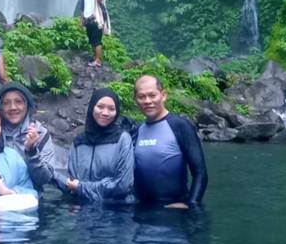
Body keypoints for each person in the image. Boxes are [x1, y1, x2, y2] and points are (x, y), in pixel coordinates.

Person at [131, 75, 207, 209]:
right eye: (141, 97)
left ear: (163, 95)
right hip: (142, 209)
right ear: (135, 100)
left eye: (152, 95)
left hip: (174, 209)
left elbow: (200, 173)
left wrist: (191, 204)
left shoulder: (180, 126)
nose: (147, 101)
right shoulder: (137, 130)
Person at [60, 87, 135, 204]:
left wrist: (82, 187)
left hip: (115, 208)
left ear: (117, 112)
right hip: (82, 207)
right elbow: (73, 181)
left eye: (111, 109)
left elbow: (123, 184)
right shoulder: (79, 142)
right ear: (92, 108)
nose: (105, 113)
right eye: (100, 107)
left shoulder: (122, 139)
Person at [0, 82, 58, 191]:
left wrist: (32, 151)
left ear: (27, 105)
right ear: (0, 107)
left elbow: (45, 179)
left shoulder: (40, 133)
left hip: (30, 195)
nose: (13, 107)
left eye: (19, 102)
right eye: (6, 103)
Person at [73, 0, 111, 67]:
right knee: (91, 40)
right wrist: (81, 21)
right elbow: (82, 10)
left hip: (97, 21)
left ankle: (98, 60)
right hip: (88, 21)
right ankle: (95, 57)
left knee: (97, 41)